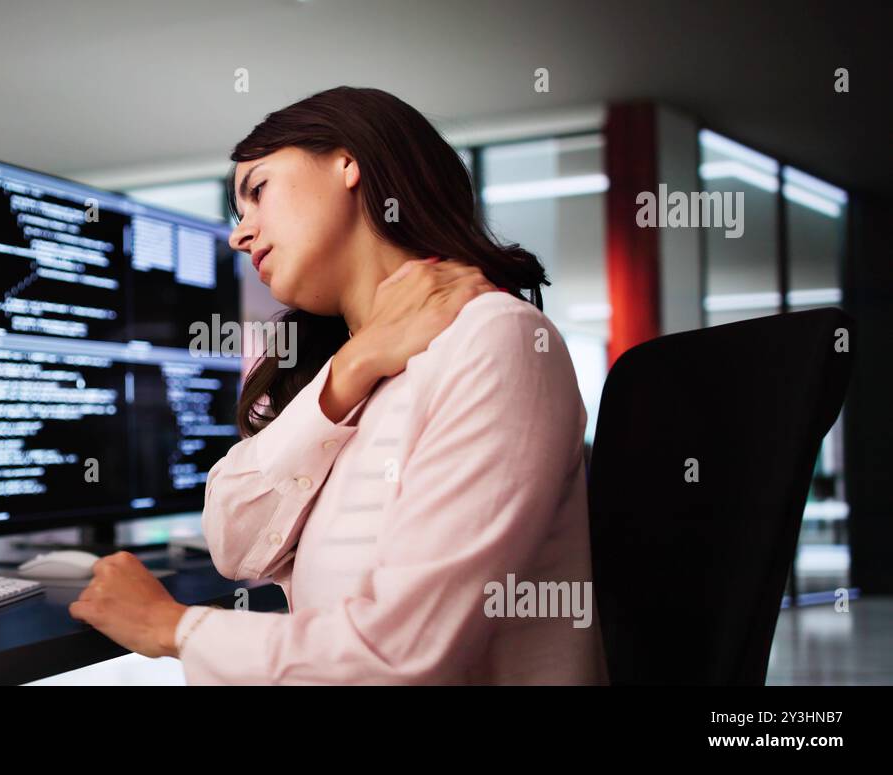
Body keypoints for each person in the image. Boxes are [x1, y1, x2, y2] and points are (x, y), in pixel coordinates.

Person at [68, 86, 609, 685]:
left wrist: (172, 628)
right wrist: (353, 368)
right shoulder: (339, 371)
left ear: (347, 163)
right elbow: (232, 543)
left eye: (257, 191)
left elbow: (405, 654)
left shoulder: (495, 338)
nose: (238, 235)